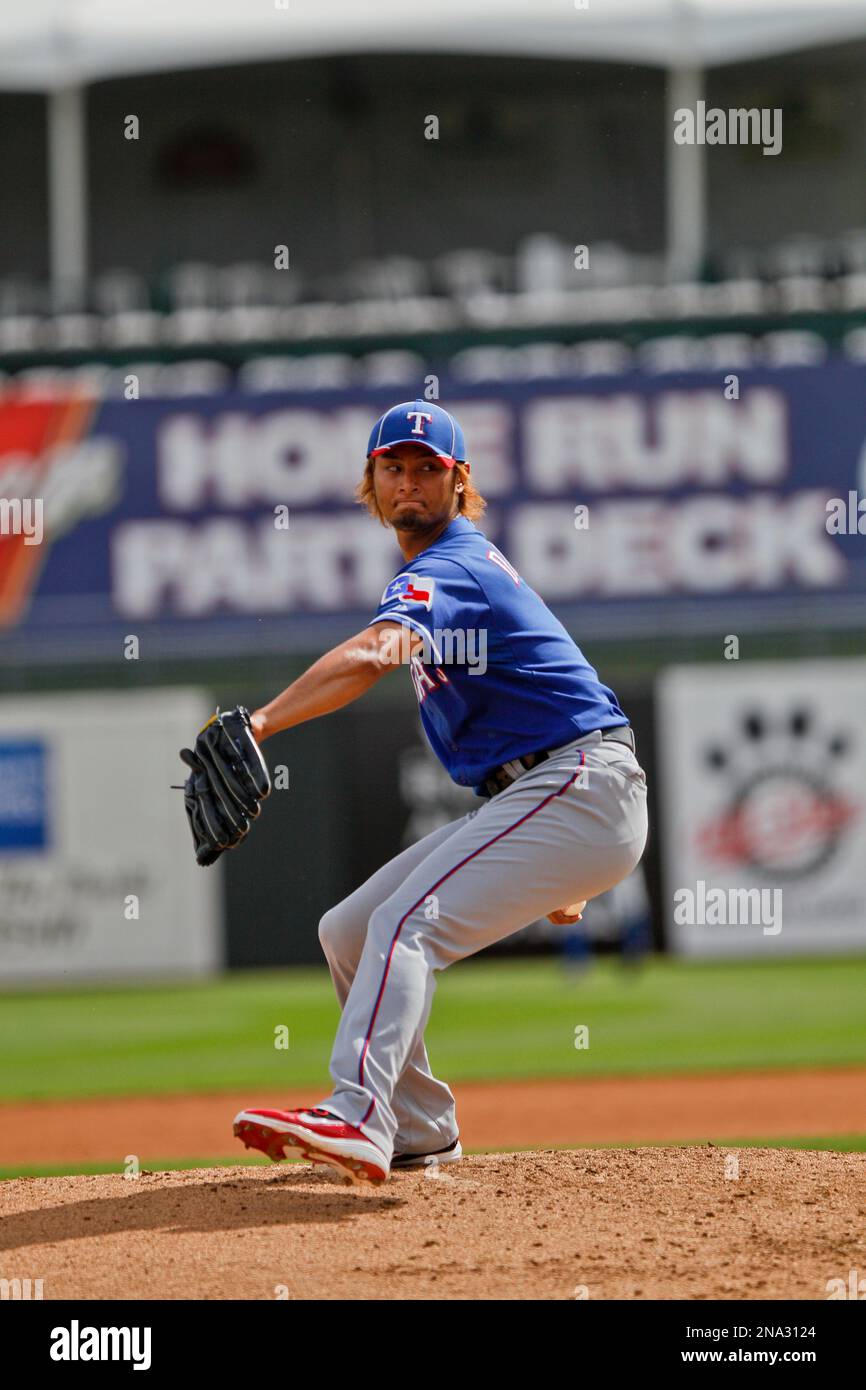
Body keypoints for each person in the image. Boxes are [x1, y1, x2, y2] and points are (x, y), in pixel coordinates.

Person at [233, 400, 648, 1185]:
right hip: (557, 793)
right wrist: (561, 862)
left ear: (461, 483)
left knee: (404, 924)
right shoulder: (452, 567)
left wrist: (260, 723)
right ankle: (419, 1127)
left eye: (430, 468)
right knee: (349, 931)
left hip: (578, 783)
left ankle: (357, 1111)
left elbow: (375, 652)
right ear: (372, 482)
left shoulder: (452, 565)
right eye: (394, 467)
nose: (410, 482)